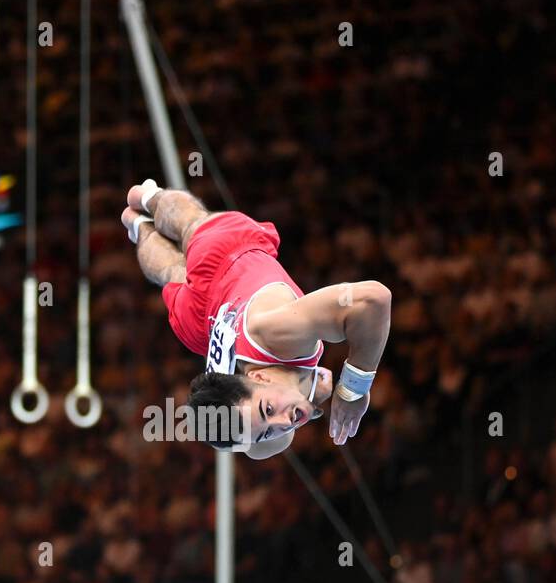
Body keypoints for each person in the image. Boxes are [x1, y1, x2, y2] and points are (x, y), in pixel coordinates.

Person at [122, 179, 391, 456]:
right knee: (170, 273)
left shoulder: (278, 332)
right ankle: (138, 226)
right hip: (205, 326)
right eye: (266, 431)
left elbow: (373, 301)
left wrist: (352, 389)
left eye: (268, 410)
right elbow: (257, 449)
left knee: (191, 223)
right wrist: (308, 395)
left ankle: (147, 199)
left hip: (224, 258)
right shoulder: (257, 421)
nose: (284, 423)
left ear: (260, 377)